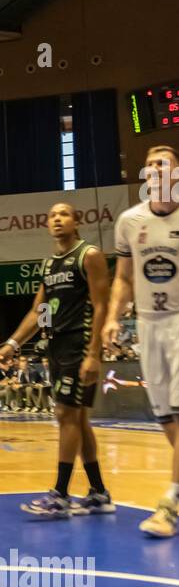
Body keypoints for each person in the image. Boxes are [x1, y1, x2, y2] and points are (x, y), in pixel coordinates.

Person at [0, 201, 112, 518]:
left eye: (64, 214)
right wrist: (12, 342)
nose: (57, 218)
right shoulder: (48, 265)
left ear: (77, 221)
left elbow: (103, 307)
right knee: (78, 419)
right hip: (58, 347)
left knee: (65, 414)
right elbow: (38, 312)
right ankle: (99, 493)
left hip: (80, 344)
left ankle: (60, 495)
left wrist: (94, 355)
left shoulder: (89, 256)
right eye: (52, 215)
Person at [105, 145, 179, 536]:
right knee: (165, 417)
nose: (155, 167)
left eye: (164, 162)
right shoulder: (129, 221)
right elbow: (123, 278)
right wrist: (113, 319)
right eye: (149, 162)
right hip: (149, 323)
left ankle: (171, 503)